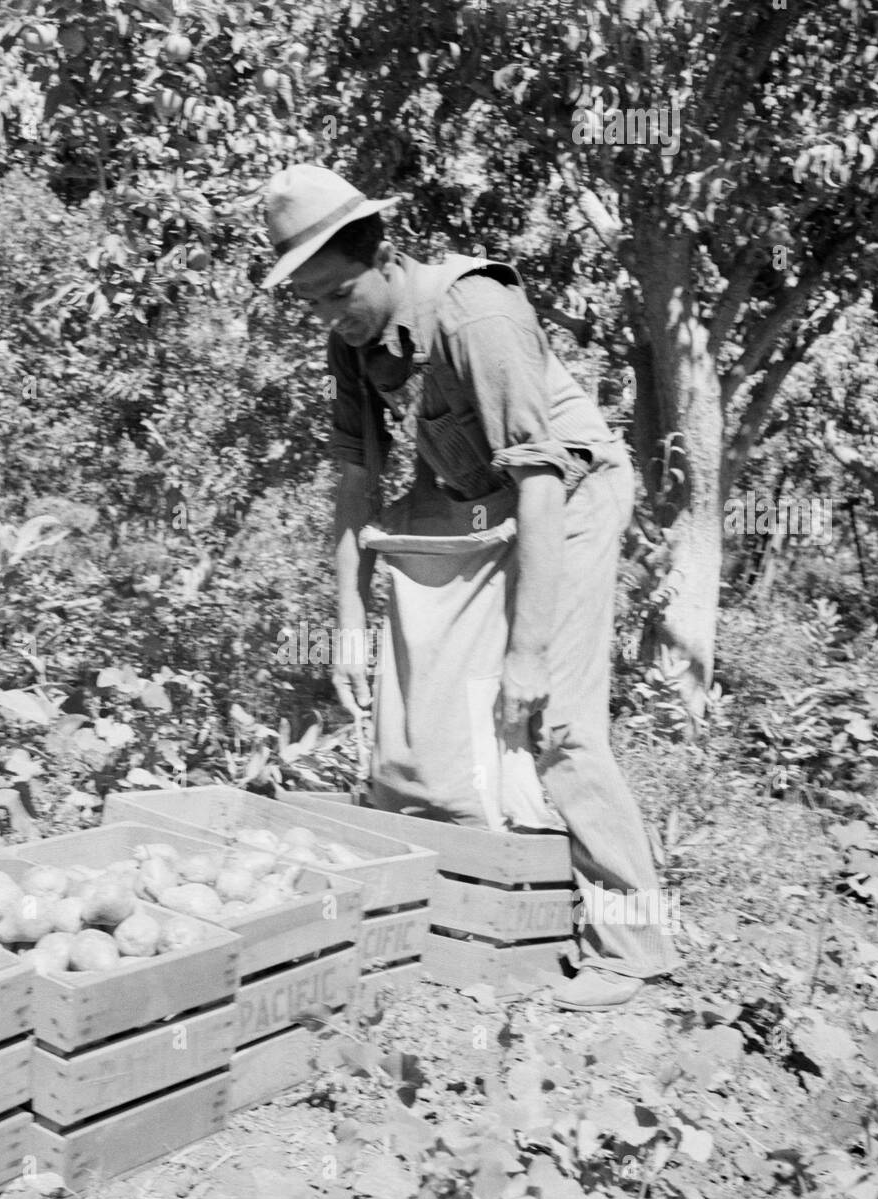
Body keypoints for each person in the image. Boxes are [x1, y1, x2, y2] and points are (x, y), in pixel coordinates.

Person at [260, 164, 677, 1011]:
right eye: (309, 302)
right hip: (474, 492)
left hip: (568, 489)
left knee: (554, 713)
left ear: (383, 259)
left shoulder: (475, 310)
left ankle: (633, 940)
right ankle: (462, 866)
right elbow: (354, 484)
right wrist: (347, 621)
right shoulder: (352, 338)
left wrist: (527, 651)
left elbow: (541, 478)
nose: (328, 317)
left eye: (337, 293)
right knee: (427, 684)